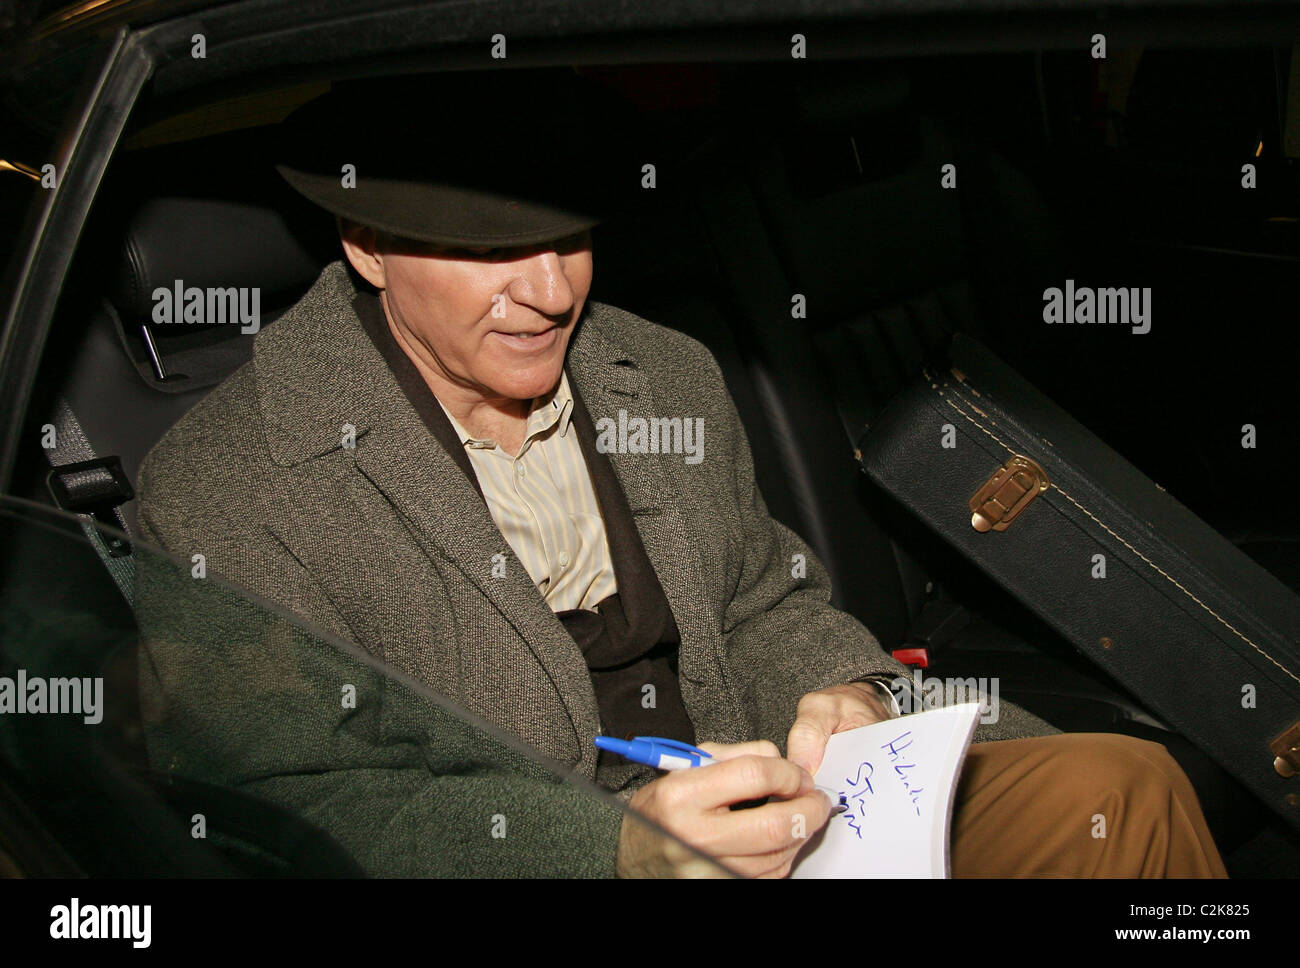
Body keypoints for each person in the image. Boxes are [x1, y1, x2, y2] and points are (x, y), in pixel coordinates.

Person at [131, 68, 1226, 877]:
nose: (553, 290)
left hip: (786, 808)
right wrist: (618, 848)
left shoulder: (659, 373)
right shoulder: (232, 488)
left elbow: (759, 606)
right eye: (489, 252)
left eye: (571, 236)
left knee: (1122, 790)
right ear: (366, 245)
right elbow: (287, 807)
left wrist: (845, 693)